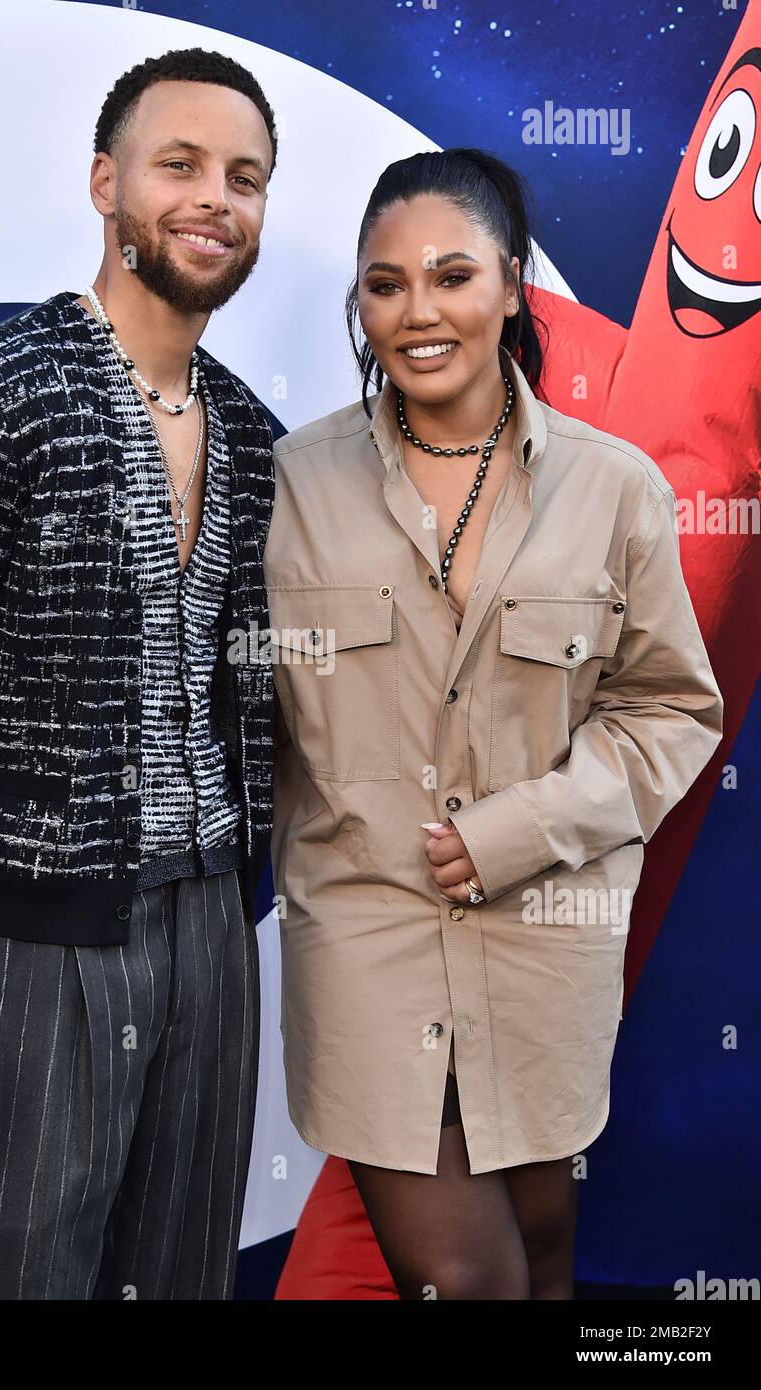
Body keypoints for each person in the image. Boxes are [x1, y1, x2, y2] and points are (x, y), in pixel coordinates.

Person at [0, 48, 278, 1300]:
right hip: (30, 945)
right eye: (179, 164)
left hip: (210, 936)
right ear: (104, 182)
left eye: (243, 177)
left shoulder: (246, 427)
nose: (213, 199)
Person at [263, 148, 724, 1300]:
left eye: (450, 275)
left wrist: (525, 826)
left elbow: (668, 705)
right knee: (466, 1282)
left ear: (511, 286)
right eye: (383, 285)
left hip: (544, 944)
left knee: (546, 1265)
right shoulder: (289, 482)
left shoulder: (613, 486)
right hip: (367, 946)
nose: (416, 312)